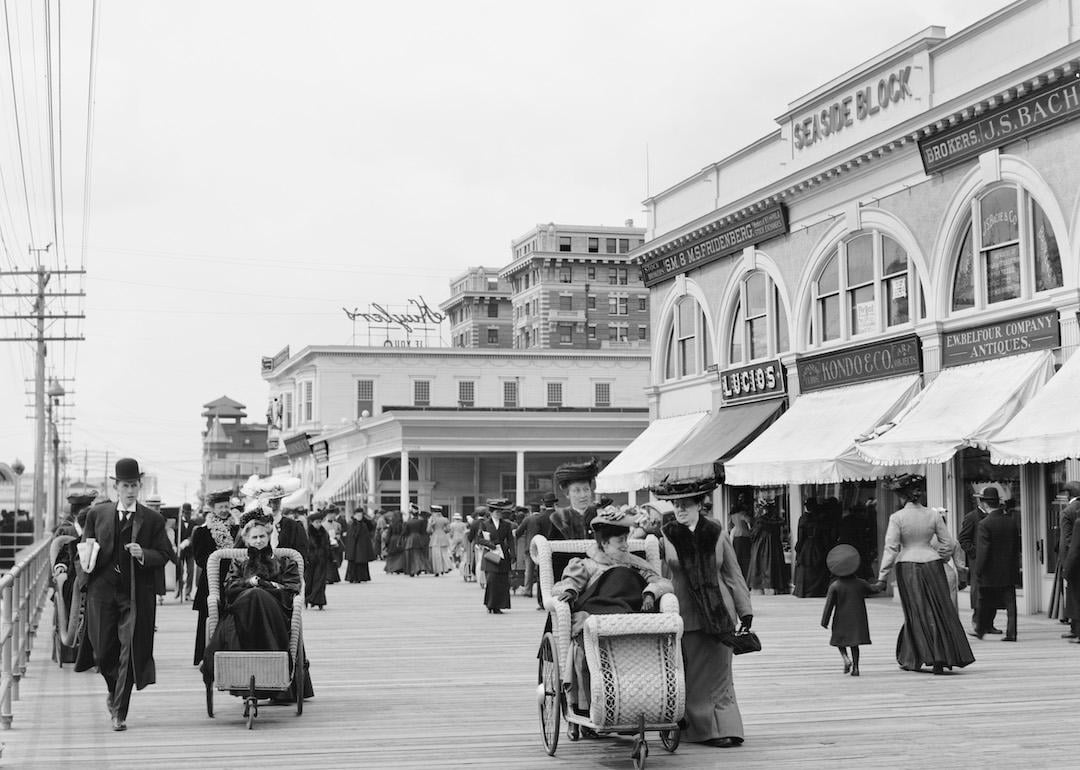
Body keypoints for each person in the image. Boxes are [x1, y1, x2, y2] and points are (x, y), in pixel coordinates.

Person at [75, 458, 174, 731]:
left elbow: (167, 554)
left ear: (139, 486)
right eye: (125, 485)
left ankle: (119, 711)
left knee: (129, 651)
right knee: (102, 650)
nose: (131, 490)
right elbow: (84, 549)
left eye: (135, 485)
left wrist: (145, 555)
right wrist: (84, 566)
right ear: (116, 486)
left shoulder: (153, 519)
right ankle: (112, 689)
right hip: (101, 591)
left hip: (136, 593)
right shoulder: (98, 514)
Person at [655, 477, 752, 749]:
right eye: (676, 505)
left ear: (700, 505)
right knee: (694, 674)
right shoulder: (666, 535)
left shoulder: (717, 533)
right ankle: (700, 729)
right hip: (685, 613)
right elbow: (660, 575)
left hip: (720, 613)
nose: (680, 510)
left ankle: (728, 727)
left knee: (722, 675)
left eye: (686, 504)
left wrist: (745, 611)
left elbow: (733, 575)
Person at [552, 506, 673, 717]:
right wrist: (570, 590)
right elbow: (566, 583)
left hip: (631, 617)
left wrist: (650, 593)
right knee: (585, 642)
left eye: (626, 540)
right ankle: (590, 706)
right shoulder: (587, 565)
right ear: (604, 544)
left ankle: (643, 703)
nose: (626, 546)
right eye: (620, 542)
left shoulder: (636, 565)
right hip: (597, 617)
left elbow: (662, 582)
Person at [201, 512, 314, 701]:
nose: (259, 541)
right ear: (246, 540)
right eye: (254, 537)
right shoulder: (239, 563)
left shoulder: (285, 561)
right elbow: (230, 588)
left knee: (258, 594)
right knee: (252, 595)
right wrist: (251, 583)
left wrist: (263, 585)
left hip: (274, 614)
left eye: (262, 536)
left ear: (269, 536)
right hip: (242, 613)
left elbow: (291, 589)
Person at [874, 474, 974, 674]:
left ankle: (917, 657)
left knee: (916, 612)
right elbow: (949, 542)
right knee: (939, 609)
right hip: (933, 563)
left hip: (908, 565)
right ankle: (941, 657)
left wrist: (882, 576)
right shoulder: (933, 515)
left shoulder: (897, 518)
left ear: (902, 496)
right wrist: (938, 555)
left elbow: (891, 548)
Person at [190, 489, 238, 665]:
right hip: (211, 579)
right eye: (220, 507)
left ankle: (228, 653)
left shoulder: (237, 529)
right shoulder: (202, 531)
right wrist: (218, 561)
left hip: (233, 578)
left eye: (227, 506)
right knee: (207, 617)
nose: (224, 510)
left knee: (231, 616)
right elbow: (199, 558)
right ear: (213, 509)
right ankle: (204, 655)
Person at [821, 544, 882, 676]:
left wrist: (824, 621)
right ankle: (856, 668)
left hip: (840, 618)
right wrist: (881, 583)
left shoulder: (835, 586)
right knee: (855, 645)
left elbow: (829, 606)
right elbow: (873, 589)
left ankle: (845, 658)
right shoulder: (860, 583)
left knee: (839, 640)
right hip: (857, 619)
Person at [51, 491, 98, 664]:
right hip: (74, 580)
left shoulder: (95, 535)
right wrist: (60, 566)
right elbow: (61, 556)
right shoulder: (67, 532)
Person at [972, 487, 1020, 642]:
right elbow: (1017, 546)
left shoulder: (984, 524)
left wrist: (978, 570)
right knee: (1010, 603)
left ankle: (980, 630)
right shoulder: (1011, 521)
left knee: (984, 601)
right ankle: (1011, 633)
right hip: (1008, 569)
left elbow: (983, 551)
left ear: (985, 504)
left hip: (990, 571)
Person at [958, 492, 999, 634]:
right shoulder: (971, 517)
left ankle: (990, 624)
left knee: (993, 592)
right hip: (978, 562)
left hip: (994, 561)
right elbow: (963, 539)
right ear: (981, 502)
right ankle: (978, 623)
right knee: (979, 593)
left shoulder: (996, 516)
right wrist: (976, 553)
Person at [477, 498, 515, 613]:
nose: (499, 514)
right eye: (497, 512)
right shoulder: (484, 524)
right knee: (492, 580)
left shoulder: (506, 525)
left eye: (500, 512)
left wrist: (513, 554)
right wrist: (490, 544)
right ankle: (490, 604)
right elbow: (479, 539)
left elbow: (510, 540)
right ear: (491, 512)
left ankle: (499, 606)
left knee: (502, 581)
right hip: (490, 554)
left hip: (503, 554)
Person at [747, 498, 789, 595]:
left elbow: (753, 535)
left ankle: (762, 586)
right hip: (775, 547)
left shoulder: (760, 521)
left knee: (761, 566)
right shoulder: (777, 520)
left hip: (761, 548)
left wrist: (750, 527)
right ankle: (775, 586)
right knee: (774, 565)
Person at [793, 498, 833, 598]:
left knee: (806, 570)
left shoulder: (803, 519)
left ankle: (806, 591)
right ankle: (817, 590)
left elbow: (801, 536)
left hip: (807, 546)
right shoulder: (821, 519)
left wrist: (798, 549)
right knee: (817, 569)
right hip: (818, 546)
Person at [1057, 481, 1080, 640]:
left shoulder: (1067, 512)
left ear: (1068, 495)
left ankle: (1075, 628)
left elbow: (1067, 540)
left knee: (1072, 594)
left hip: (1073, 558)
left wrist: (1067, 563)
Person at [836, 501, 877, 581]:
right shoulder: (861, 521)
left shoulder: (846, 520)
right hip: (856, 548)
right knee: (860, 569)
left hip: (845, 548)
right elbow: (862, 536)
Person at [305, 510, 332, 609]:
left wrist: (330, 557)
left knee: (320, 582)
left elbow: (328, 545)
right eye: (316, 522)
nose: (319, 524)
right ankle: (308, 599)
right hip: (310, 562)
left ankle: (320, 602)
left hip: (322, 561)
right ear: (312, 522)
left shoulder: (324, 533)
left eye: (320, 522)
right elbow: (304, 547)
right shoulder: (307, 533)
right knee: (310, 582)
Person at [343, 509, 376, 582]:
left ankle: (362, 577)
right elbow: (352, 536)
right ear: (354, 516)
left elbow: (371, 529)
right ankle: (353, 577)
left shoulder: (364, 524)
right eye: (358, 515)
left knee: (362, 562)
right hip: (355, 547)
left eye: (361, 516)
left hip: (362, 546)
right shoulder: (352, 524)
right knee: (354, 562)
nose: (359, 517)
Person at [727, 495, 753, 579]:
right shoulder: (743, 514)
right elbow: (749, 522)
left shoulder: (732, 515)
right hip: (745, 537)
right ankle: (745, 578)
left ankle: (737, 578)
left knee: (737, 559)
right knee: (746, 560)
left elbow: (729, 525)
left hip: (736, 538)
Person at [427, 505, 452, 576]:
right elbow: (448, 529)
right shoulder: (445, 519)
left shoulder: (432, 519)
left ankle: (437, 570)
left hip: (435, 537)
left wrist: (431, 525)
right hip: (443, 537)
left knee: (436, 555)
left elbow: (428, 530)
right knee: (444, 553)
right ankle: (447, 567)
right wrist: (443, 531)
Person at [403, 508, 428, 577]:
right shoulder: (420, 522)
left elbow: (405, 532)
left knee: (410, 556)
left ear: (411, 514)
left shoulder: (408, 522)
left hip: (410, 539)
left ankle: (412, 570)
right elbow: (423, 531)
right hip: (418, 538)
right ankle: (418, 568)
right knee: (418, 554)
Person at [383, 510, 406, 575]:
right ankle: (399, 568)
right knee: (400, 555)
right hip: (400, 540)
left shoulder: (391, 524)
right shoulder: (403, 524)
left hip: (392, 540)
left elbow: (388, 535)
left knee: (391, 555)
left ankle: (390, 568)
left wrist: (386, 543)